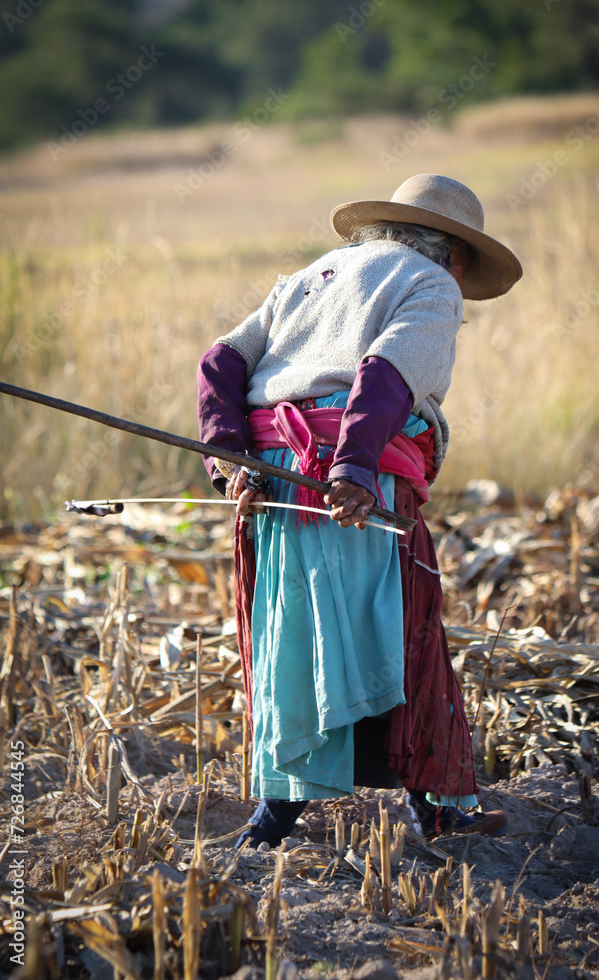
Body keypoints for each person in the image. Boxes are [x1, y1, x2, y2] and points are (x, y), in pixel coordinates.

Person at [197, 174, 522, 848]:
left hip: (274, 483)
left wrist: (229, 462)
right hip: (358, 481)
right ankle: (432, 807)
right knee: (401, 637)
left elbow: (220, 362)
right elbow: (385, 374)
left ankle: (277, 819)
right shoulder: (430, 285)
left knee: (294, 638)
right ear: (454, 253)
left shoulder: (306, 278)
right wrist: (351, 472)